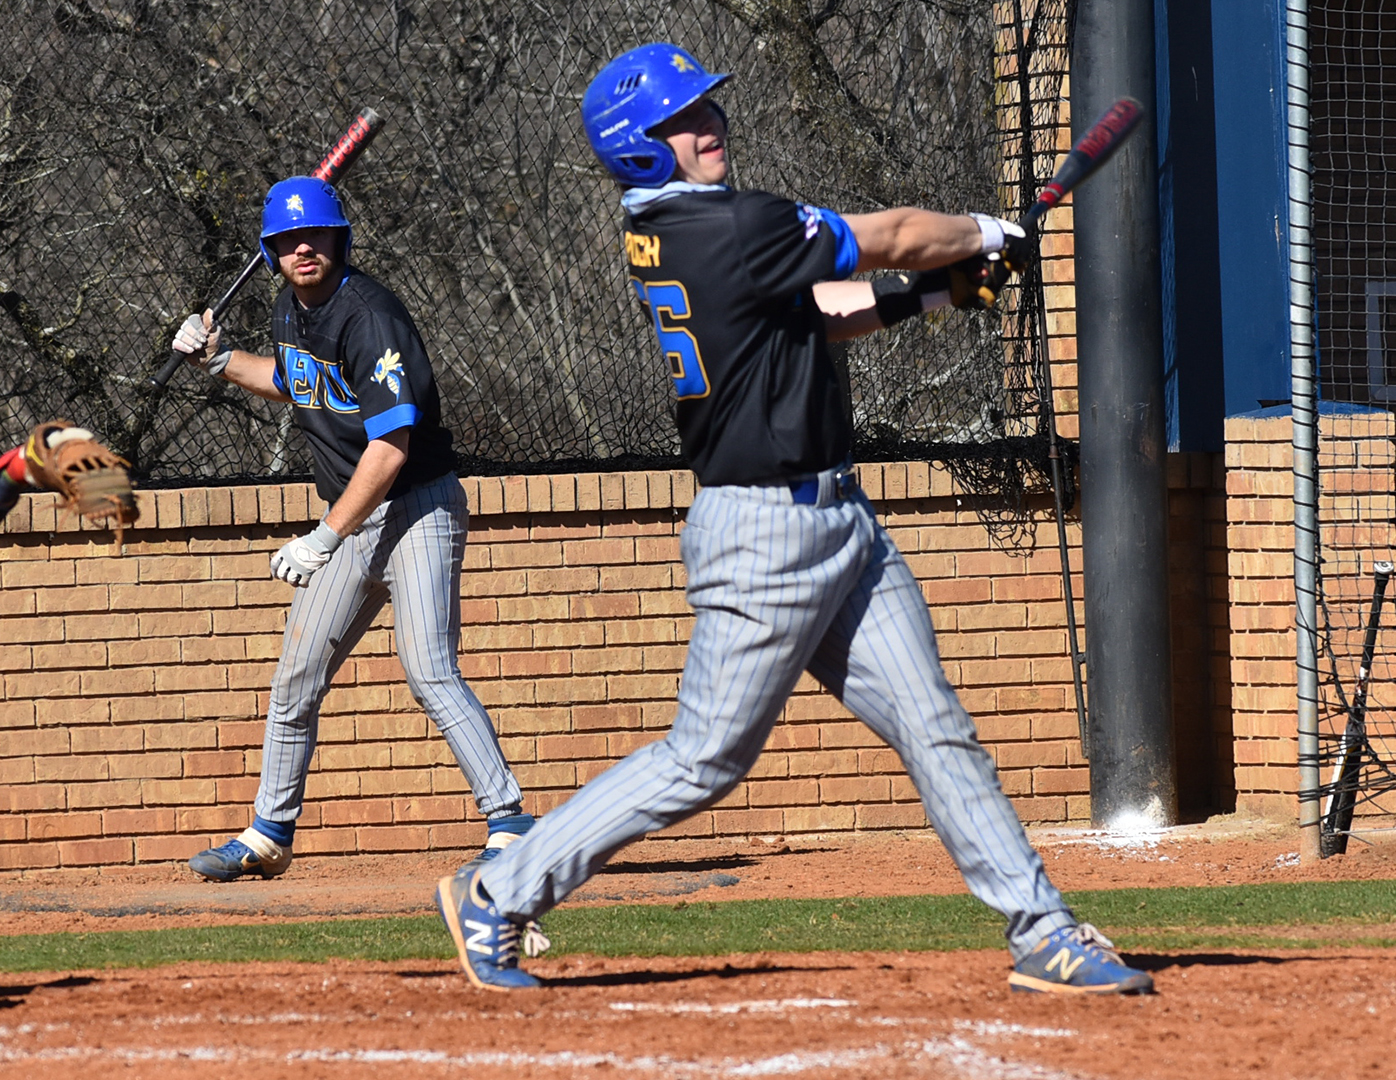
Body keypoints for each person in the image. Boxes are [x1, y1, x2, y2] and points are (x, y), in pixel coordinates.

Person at [434, 42, 1153, 996]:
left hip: (841, 524)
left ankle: (1042, 931)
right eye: (683, 122)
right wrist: (984, 231)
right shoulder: (732, 226)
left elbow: (820, 313)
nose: (710, 126)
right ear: (640, 148)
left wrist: (938, 292)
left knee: (937, 728)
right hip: (764, 538)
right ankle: (501, 889)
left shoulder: (688, 230)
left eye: (708, 110)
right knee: (703, 762)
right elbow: (894, 230)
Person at [169, 178, 534, 881]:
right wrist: (216, 360)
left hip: (416, 506)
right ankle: (269, 833)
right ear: (271, 252)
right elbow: (299, 382)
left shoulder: (370, 316)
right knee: (296, 678)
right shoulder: (288, 309)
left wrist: (324, 536)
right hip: (353, 517)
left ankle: (510, 821)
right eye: (286, 242)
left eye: (316, 237)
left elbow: (390, 447)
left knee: (430, 671)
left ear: (340, 240)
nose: (302, 249)